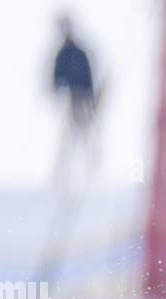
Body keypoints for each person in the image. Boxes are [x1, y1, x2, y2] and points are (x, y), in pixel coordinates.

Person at [51, 14, 98, 183]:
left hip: (81, 99)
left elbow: (88, 76)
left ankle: (92, 171)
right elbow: (56, 77)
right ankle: (62, 174)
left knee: (84, 134)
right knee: (68, 137)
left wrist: (90, 98)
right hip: (71, 99)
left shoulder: (77, 53)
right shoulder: (64, 54)